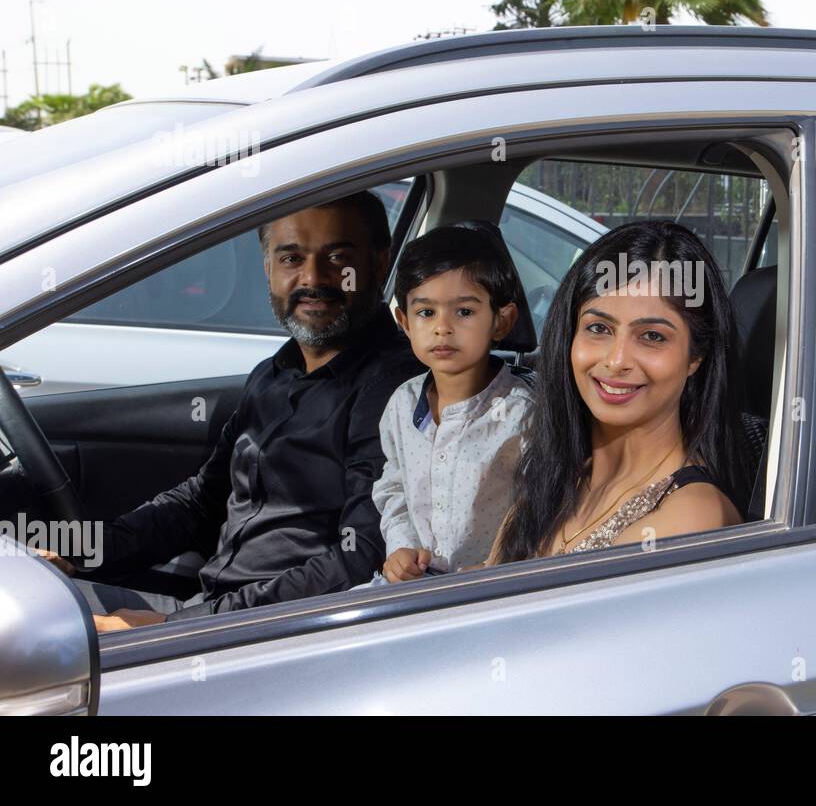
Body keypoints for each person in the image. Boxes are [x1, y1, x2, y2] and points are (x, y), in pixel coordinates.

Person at [38, 192, 421, 631]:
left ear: (379, 262)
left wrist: (176, 629)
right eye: (291, 258)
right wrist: (79, 549)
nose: (313, 277)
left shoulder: (394, 389)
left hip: (263, 636)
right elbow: (201, 501)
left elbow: (361, 557)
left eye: (337, 258)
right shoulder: (274, 373)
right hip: (212, 610)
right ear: (268, 270)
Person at [486, 221, 752, 564]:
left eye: (652, 336)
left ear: (695, 357)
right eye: (599, 328)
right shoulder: (554, 478)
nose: (617, 360)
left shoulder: (693, 514)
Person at [367, 224, 534, 583]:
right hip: (411, 583)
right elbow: (393, 485)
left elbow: (540, 502)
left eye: (464, 312)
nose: (442, 328)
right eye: (426, 313)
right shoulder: (402, 404)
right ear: (404, 322)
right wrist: (400, 547)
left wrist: (501, 563)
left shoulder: (522, 413)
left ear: (502, 321)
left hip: (490, 587)